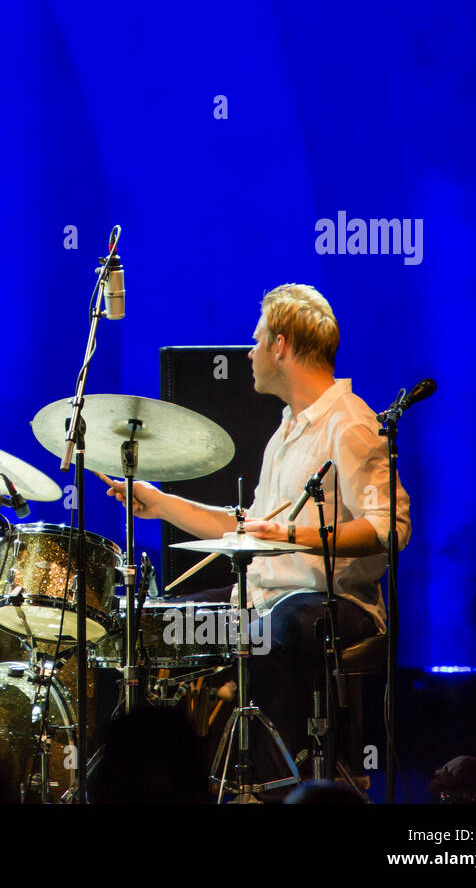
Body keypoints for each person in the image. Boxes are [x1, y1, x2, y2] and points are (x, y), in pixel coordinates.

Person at [98, 283, 410, 781]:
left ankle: (273, 784)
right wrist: (162, 503)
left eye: (257, 338)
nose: (249, 350)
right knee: (152, 622)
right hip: (264, 595)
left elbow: (388, 529)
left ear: (281, 345)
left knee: (273, 630)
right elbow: (248, 529)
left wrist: (291, 537)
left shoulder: (349, 425)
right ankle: (165, 779)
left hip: (332, 604)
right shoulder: (286, 430)